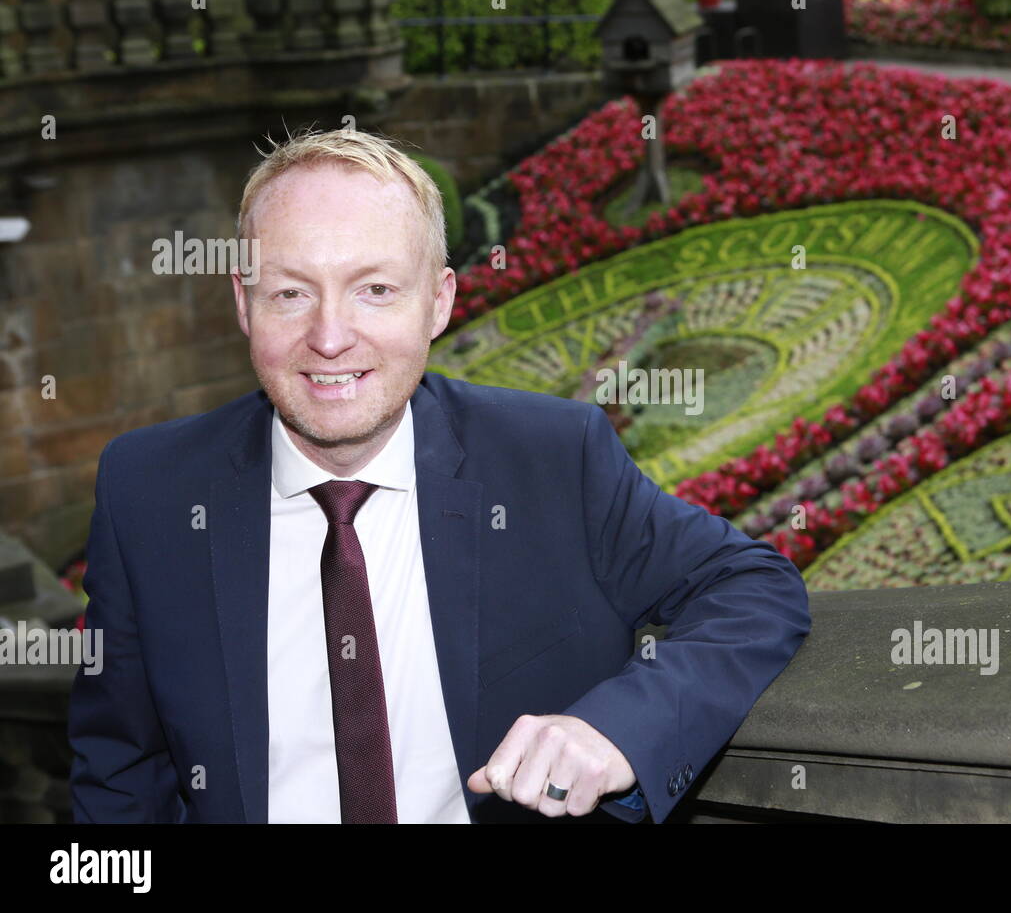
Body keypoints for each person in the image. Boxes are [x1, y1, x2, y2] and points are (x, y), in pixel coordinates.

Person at [66, 128, 811, 824]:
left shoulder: (553, 457)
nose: (329, 337)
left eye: (376, 290)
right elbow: (120, 769)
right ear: (244, 303)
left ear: (440, 301)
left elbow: (754, 587)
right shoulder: (149, 493)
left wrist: (618, 729)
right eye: (291, 293)